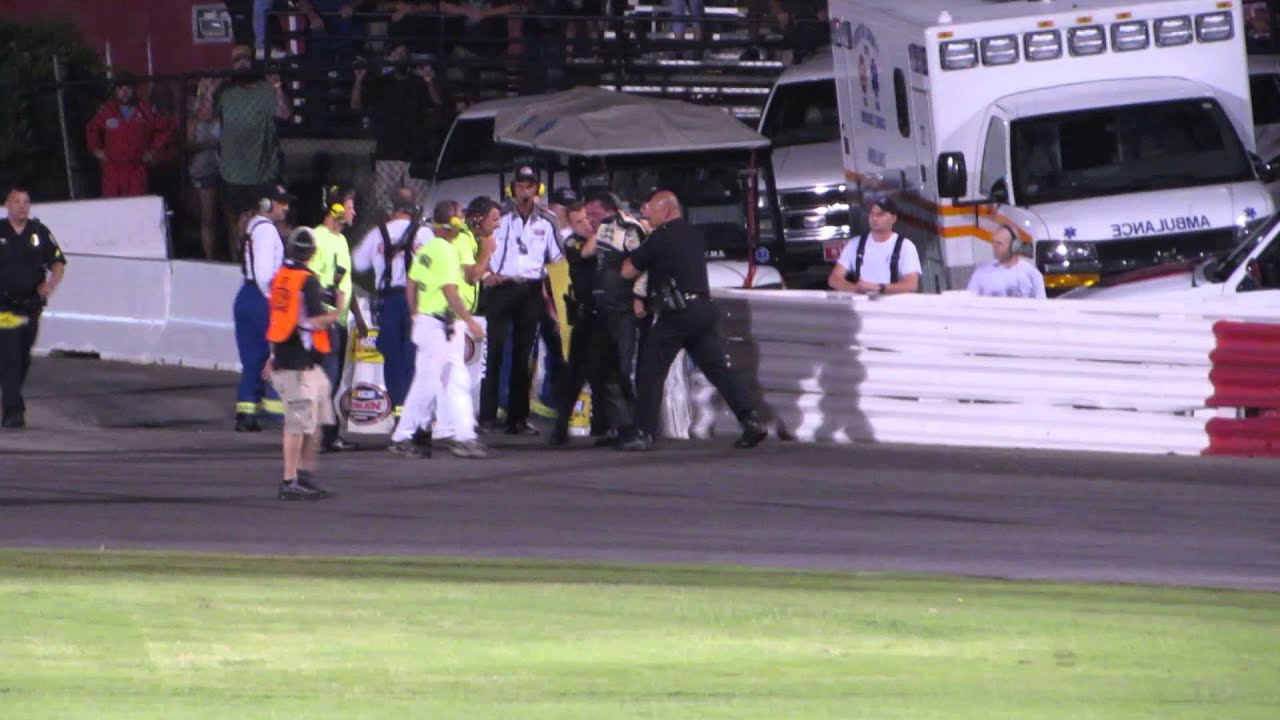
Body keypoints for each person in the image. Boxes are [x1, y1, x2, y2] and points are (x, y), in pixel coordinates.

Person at [620, 190, 766, 451]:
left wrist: (635, 247)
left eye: (651, 209)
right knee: (718, 369)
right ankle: (751, 419)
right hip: (703, 309)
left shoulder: (660, 238)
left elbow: (628, 269)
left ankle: (643, 431)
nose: (647, 213)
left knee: (650, 371)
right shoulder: (694, 235)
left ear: (666, 211)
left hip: (677, 314)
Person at [388, 203, 489, 458]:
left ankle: (463, 436)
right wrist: (471, 320)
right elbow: (450, 290)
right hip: (440, 326)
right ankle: (405, 436)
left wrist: (415, 314)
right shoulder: (445, 251)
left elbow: (411, 283)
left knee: (454, 381)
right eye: (459, 217)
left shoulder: (429, 248)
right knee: (430, 383)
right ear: (452, 224)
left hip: (433, 324)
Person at [550, 191, 645, 446]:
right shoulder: (573, 243)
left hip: (604, 315)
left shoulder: (606, 238)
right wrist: (610, 225)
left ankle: (613, 428)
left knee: (606, 373)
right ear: (571, 225)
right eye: (581, 221)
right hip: (585, 316)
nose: (588, 223)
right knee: (576, 375)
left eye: (589, 218)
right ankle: (562, 429)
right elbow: (590, 251)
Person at [478, 166, 563, 435]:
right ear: (511, 188)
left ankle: (518, 418)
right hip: (501, 288)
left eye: (529, 186)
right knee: (495, 353)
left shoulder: (547, 221)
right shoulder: (498, 217)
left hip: (531, 289)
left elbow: (557, 260)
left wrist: (553, 298)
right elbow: (478, 248)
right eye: (520, 185)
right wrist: (486, 274)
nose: (524, 191)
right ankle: (488, 417)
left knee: (523, 356)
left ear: (537, 188)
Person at [265, 227, 338, 500]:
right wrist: (337, 313)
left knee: (315, 421)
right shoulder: (306, 281)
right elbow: (315, 321)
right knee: (298, 424)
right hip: (298, 364)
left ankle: (304, 476)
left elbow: (280, 318)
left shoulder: (281, 278)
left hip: (297, 360)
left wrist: (272, 355)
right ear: (313, 252)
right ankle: (290, 480)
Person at [203, 44, 291, 262]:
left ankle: (271, 264)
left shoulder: (265, 88)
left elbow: (285, 113)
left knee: (270, 223)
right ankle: (238, 267)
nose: (242, 64)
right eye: (237, 61)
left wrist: (278, 87)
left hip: (263, 173)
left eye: (246, 60)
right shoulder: (225, 90)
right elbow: (205, 116)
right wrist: (210, 92)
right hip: (233, 174)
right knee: (237, 227)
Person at [352, 186, 433, 421]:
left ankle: (398, 411)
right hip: (416, 301)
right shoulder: (424, 234)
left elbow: (358, 264)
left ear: (391, 208)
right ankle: (413, 414)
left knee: (392, 356)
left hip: (387, 301)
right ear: (414, 208)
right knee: (413, 356)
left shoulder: (377, 234)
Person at [429, 197, 496, 449]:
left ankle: (438, 426)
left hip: (448, 315)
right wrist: (487, 252)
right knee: (454, 375)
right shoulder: (465, 240)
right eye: (494, 219)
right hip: (451, 314)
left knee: (443, 375)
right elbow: (471, 276)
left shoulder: (459, 240)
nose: (497, 226)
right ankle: (457, 431)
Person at [0, 188, 67, 429]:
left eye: (26, 202)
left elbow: (58, 262)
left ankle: (10, 392)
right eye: (17, 202)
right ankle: (13, 411)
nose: (22, 206)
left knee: (22, 357)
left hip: (31, 306)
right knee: (10, 356)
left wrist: (50, 285)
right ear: (7, 204)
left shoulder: (39, 232)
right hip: (5, 307)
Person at [351, 40, 442, 212]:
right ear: (389, 57)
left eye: (404, 54)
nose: (401, 58)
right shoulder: (381, 83)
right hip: (388, 153)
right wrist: (358, 80)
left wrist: (429, 81)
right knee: (386, 205)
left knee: (418, 204)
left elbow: (437, 103)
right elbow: (357, 105)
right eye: (397, 54)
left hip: (415, 155)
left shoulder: (418, 82)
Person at [310, 184, 368, 452]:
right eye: (350, 205)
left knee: (330, 381)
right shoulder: (318, 239)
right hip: (326, 322)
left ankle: (329, 435)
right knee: (327, 380)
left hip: (341, 322)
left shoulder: (341, 241)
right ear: (335, 209)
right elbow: (309, 281)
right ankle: (316, 434)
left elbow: (344, 283)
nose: (354, 211)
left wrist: (357, 316)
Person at [233, 184, 293, 431]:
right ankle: (276, 411)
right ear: (268, 204)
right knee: (281, 352)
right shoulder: (267, 230)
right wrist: (276, 300)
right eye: (282, 203)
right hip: (262, 298)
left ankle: (247, 412)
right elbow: (265, 273)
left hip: (245, 296)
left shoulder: (251, 225)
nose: (287, 207)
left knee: (253, 358)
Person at [85, 72, 170, 198]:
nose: (124, 91)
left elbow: (165, 129)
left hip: (137, 168)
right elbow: (92, 130)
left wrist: (153, 150)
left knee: (136, 206)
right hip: (112, 169)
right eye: (120, 88)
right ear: (115, 91)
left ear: (135, 90)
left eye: (128, 87)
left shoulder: (146, 110)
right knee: (112, 206)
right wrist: (96, 149)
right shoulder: (106, 111)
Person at [827, 195, 921, 296]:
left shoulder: (905, 246)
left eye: (881, 214)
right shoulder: (855, 244)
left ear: (893, 219)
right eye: (872, 214)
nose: (874, 218)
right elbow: (834, 279)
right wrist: (856, 288)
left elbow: (911, 284)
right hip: (862, 306)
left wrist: (879, 288)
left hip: (893, 306)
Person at [967, 224, 1047, 299]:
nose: (994, 247)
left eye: (999, 243)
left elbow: (1041, 307)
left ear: (1014, 246)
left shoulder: (1032, 275)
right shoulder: (981, 273)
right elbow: (970, 302)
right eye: (993, 242)